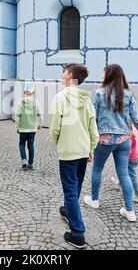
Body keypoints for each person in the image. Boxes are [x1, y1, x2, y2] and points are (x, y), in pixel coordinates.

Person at [83, 64, 138, 222]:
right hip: (123, 140)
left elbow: (92, 117)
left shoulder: (100, 93)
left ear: (108, 76)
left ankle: (94, 200)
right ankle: (130, 211)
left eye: (104, 74)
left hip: (105, 140)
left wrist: (88, 141)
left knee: (98, 169)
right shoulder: (127, 95)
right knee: (124, 173)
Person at [49, 64, 99, 249]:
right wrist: (91, 147)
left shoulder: (59, 98)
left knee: (70, 189)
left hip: (69, 151)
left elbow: (54, 126)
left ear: (69, 75)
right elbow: (93, 127)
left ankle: (77, 233)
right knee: (75, 186)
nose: (61, 76)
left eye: (63, 73)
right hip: (83, 150)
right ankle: (69, 211)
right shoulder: (87, 100)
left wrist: (57, 140)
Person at [110, 122, 138, 204]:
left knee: (132, 176)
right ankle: (119, 183)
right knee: (124, 171)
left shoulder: (130, 133)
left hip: (130, 158)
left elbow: (126, 145)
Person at [15, 82, 43, 171]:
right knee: (31, 145)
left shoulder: (20, 103)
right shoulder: (36, 103)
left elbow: (17, 116)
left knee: (21, 143)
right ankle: (31, 164)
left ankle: (24, 160)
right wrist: (40, 125)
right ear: (33, 92)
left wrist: (17, 127)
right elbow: (40, 115)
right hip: (32, 129)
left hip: (23, 128)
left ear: (24, 93)